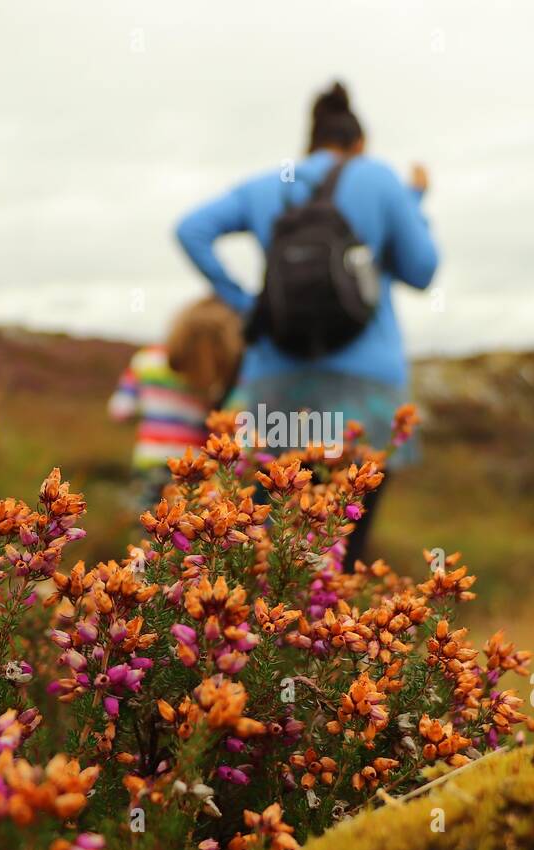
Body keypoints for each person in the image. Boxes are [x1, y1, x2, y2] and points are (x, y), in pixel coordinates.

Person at [174, 80, 438, 562]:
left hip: (278, 386)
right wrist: (414, 203)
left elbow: (191, 229)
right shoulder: (379, 180)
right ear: (359, 144)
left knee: (266, 544)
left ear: (310, 143)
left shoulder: (268, 184)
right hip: (369, 394)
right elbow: (421, 270)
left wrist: (243, 302)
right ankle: (334, 633)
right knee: (344, 545)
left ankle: (265, 629)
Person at [108, 297, 243, 508]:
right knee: (192, 530)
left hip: (149, 462)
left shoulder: (147, 359)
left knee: (150, 529)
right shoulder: (218, 373)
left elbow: (120, 410)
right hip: (198, 469)